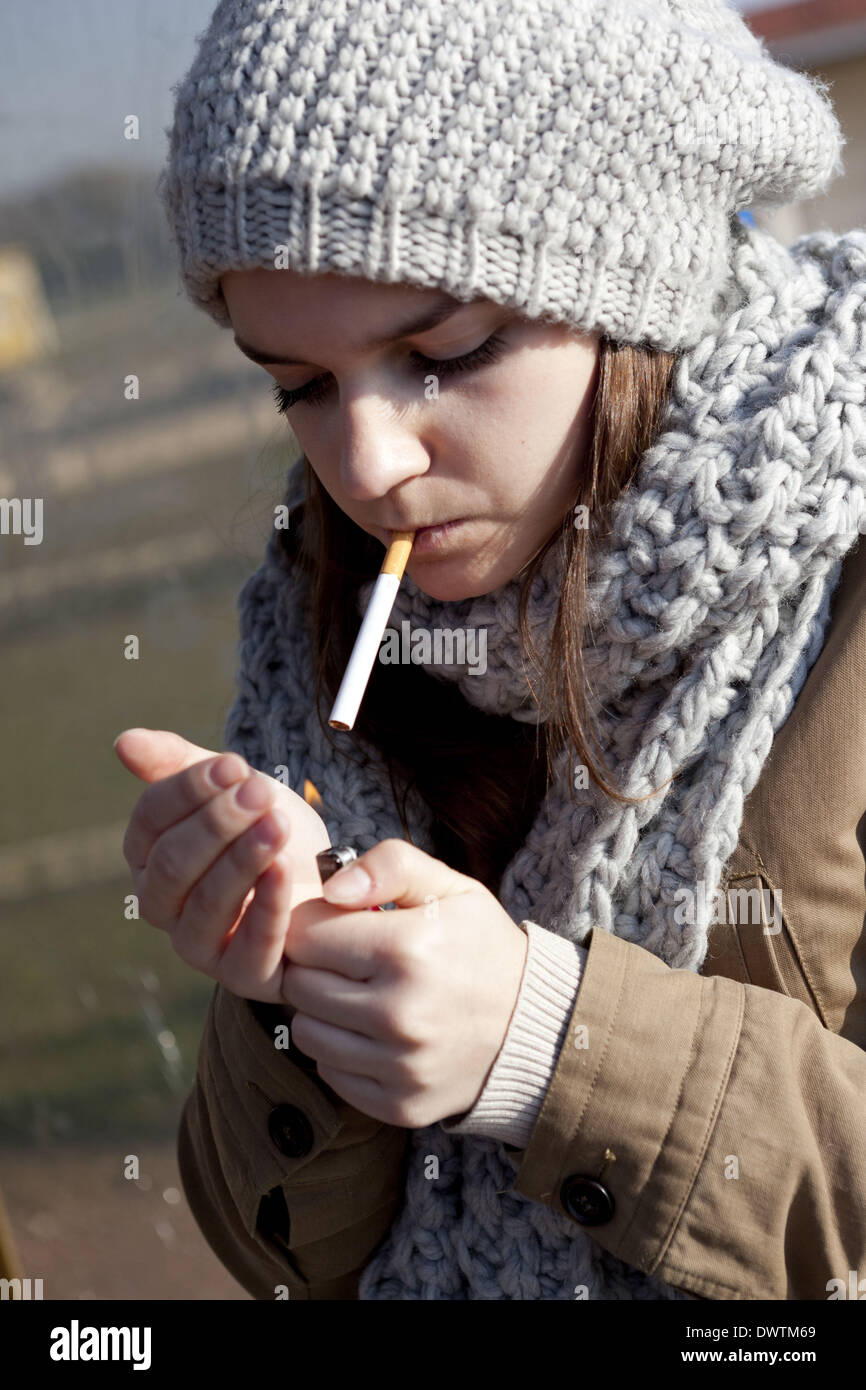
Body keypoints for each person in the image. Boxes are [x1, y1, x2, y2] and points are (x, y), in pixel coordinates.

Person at [114, 0, 866, 1300]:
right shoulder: (313, 625)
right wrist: (292, 989)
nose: (365, 463)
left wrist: (544, 1045)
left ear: (636, 293)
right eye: (297, 382)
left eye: (442, 352)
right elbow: (274, 1253)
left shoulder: (838, 590)